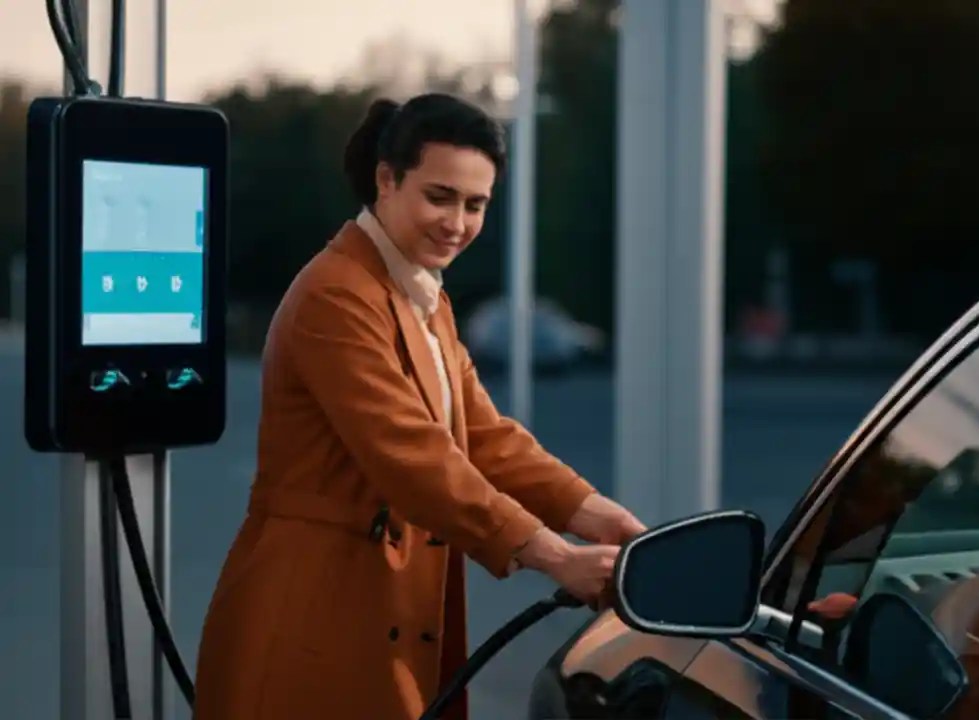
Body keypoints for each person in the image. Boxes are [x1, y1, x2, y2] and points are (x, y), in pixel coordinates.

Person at [192, 93, 646, 720]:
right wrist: (555, 555)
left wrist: (600, 516)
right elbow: (411, 453)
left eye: (475, 204)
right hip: (311, 616)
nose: (456, 223)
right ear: (386, 178)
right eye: (440, 197)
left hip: (376, 614)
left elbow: (482, 436)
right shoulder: (337, 294)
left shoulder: (421, 295)